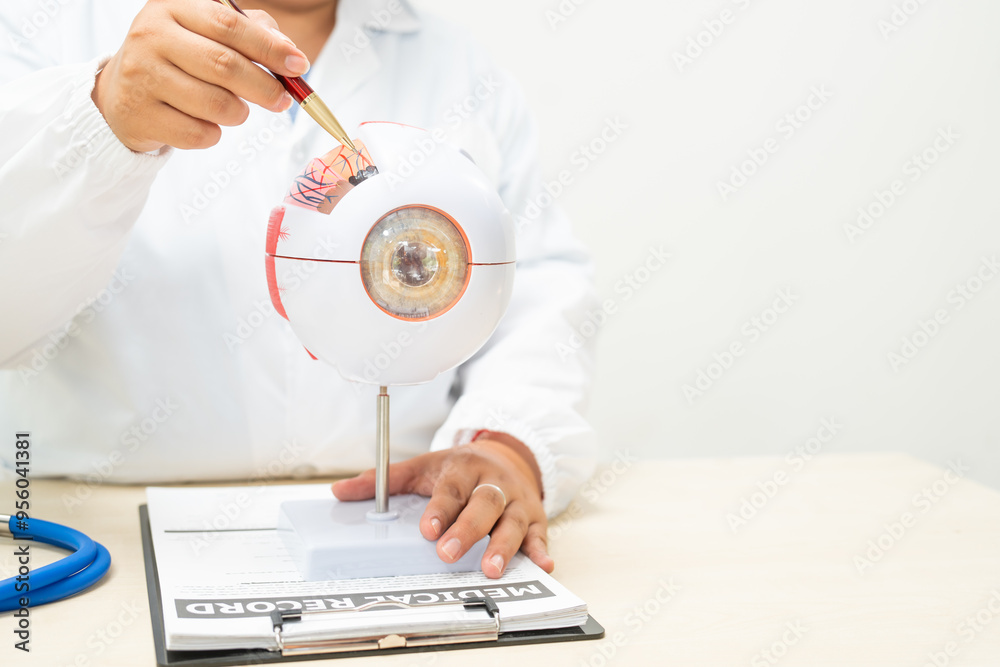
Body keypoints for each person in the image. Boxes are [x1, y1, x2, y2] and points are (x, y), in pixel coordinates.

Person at [0, 0, 597, 579]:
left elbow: (537, 293)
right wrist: (99, 120)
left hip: (414, 536)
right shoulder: (38, 29)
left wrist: (507, 442)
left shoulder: (460, 67)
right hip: (89, 535)